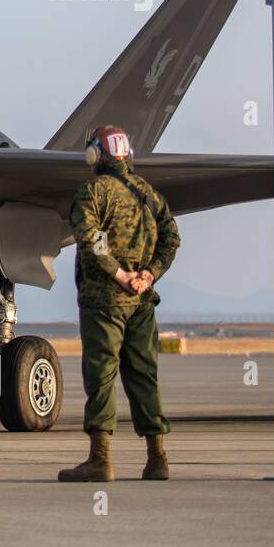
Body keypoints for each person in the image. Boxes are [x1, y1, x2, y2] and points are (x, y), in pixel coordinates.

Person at [59, 124, 180, 482]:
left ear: (96, 155)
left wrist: (118, 275)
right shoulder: (148, 194)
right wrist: (149, 275)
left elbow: (90, 238)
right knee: (144, 376)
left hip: (104, 302)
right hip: (142, 303)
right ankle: (157, 459)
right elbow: (172, 238)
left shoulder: (93, 192)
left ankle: (100, 460)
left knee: (101, 377)